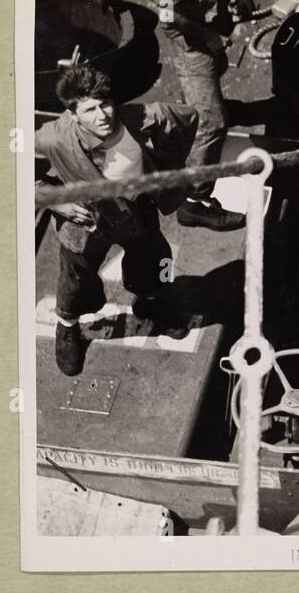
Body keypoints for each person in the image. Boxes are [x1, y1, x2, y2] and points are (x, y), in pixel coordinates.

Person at [35, 66, 199, 377]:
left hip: (135, 210)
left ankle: (149, 301)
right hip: (85, 221)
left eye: (105, 103)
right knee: (76, 279)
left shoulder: (146, 117)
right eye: (90, 109)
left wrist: (168, 165)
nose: (102, 115)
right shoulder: (52, 138)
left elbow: (188, 118)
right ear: (73, 114)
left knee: (156, 260)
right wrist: (56, 200)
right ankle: (67, 326)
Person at [142, 0, 250, 231]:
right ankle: (195, 201)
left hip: (215, 23)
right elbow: (168, 18)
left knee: (214, 84)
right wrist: (211, 39)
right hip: (193, 43)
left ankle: (204, 102)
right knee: (213, 125)